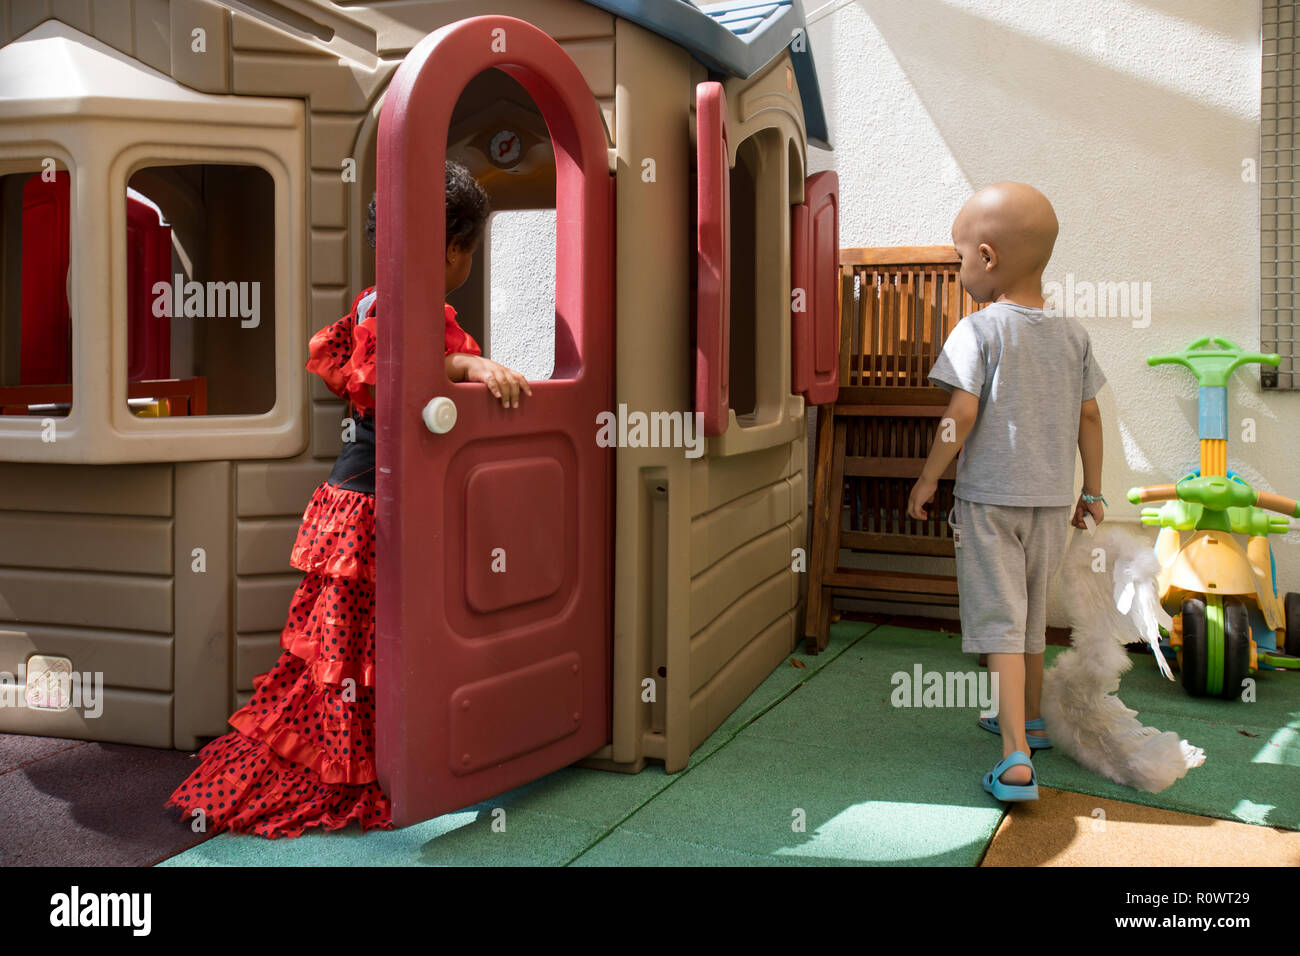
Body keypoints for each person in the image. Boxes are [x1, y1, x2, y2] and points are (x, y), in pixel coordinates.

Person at [166, 162, 530, 837]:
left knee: (377, 647)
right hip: (363, 511)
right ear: (448, 247)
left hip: (385, 507)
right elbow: (396, 368)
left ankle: (389, 759)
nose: (468, 264)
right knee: (348, 656)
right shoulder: (381, 310)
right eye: (468, 250)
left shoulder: (421, 312)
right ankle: (346, 770)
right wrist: (469, 366)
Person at [906, 182, 1107, 802]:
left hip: (990, 502)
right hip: (1050, 502)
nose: (960, 266)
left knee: (998, 623)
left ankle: (1015, 756)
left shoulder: (979, 330)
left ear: (988, 258)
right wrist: (1092, 492)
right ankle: (1030, 719)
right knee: (1029, 622)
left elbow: (960, 414)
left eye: (961, 254)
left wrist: (931, 473)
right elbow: (1090, 418)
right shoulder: (1072, 335)